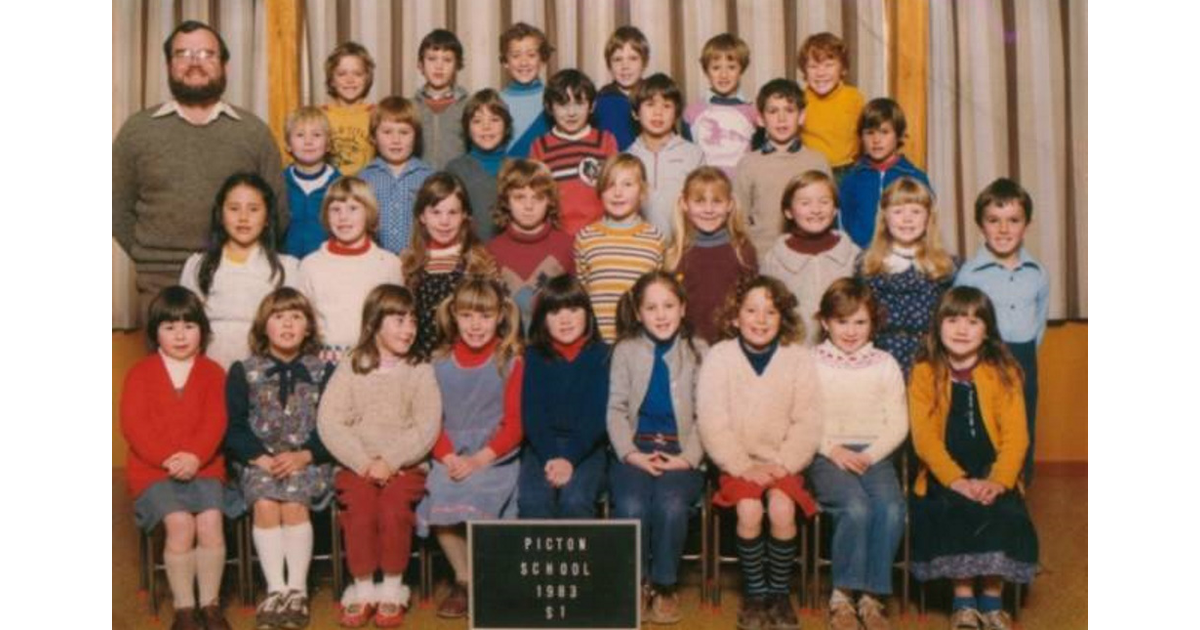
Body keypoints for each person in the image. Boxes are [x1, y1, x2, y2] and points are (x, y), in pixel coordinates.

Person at [114, 20, 286, 320]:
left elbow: (278, 212)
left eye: (207, 54)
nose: (195, 62)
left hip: (238, 278)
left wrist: (244, 260)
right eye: (183, 54)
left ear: (225, 66)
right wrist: (151, 257)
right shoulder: (137, 131)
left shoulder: (253, 132)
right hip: (160, 282)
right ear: (169, 65)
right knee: (171, 369)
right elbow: (115, 207)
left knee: (239, 367)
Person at [696, 275, 823, 630]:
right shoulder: (720, 357)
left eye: (771, 311)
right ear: (735, 317)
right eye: (751, 310)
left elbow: (808, 422)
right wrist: (741, 465)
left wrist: (783, 464)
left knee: (782, 510)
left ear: (783, 318)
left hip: (785, 462)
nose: (761, 319)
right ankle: (755, 594)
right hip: (737, 463)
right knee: (750, 510)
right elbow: (712, 422)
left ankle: (778, 595)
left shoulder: (798, 359)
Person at [909, 287, 1038, 630]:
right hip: (945, 473)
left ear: (988, 330)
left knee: (1003, 511)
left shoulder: (1004, 372)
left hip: (992, 469)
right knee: (954, 509)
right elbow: (925, 438)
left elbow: (1016, 437)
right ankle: (963, 599)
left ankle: (992, 599)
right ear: (938, 326)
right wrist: (957, 480)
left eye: (973, 321)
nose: (962, 329)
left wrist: (999, 480)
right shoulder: (924, 373)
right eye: (952, 320)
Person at [317, 285, 442, 628]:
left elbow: (426, 426)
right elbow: (330, 422)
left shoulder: (420, 370)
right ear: (374, 323)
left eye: (413, 321)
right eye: (399, 321)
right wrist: (364, 462)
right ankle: (362, 589)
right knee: (360, 509)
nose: (409, 329)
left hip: (405, 467)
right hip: (358, 465)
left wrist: (391, 460)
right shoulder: (350, 367)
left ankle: (391, 588)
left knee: (392, 509)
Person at [120, 286, 233, 630]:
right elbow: (134, 425)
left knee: (211, 521)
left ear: (202, 330)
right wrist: (169, 460)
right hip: (155, 470)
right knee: (181, 524)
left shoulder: (213, 372)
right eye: (170, 327)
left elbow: (218, 420)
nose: (180, 335)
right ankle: (184, 608)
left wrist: (196, 457)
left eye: (188, 325)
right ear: (155, 334)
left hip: (206, 466)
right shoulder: (141, 373)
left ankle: (210, 604)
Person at [224, 288, 336, 630]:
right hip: (261, 461)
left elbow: (333, 427)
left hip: (308, 461)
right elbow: (236, 427)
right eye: (278, 317)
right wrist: (257, 457)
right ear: (263, 326)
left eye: (296, 317)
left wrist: (305, 455)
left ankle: (297, 590)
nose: (287, 324)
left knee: (293, 504)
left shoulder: (325, 371)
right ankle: (276, 589)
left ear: (308, 328)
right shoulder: (243, 370)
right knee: (266, 504)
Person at [420, 278, 524, 619]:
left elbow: (514, 425)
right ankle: (464, 580)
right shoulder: (437, 362)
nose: (475, 325)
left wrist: (480, 459)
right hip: (449, 454)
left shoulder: (510, 361)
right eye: (467, 316)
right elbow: (430, 421)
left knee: (482, 494)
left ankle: (488, 578)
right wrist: (449, 457)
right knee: (441, 491)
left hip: (493, 456)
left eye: (485, 315)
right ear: (454, 316)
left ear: (499, 317)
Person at [607, 272, 707, 624]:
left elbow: (705, 415)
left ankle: (664, 585)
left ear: (683, 308)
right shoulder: (626, 350)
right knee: (632, 503)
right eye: (651, 308)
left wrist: (688, 458)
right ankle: (636, 583)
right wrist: (630, 454)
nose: (661, 315)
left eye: (668, 306)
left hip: (681, 451)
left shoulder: (699, 350)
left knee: (670, 502)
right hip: (636, 449)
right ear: (638, 312)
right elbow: (616, 409)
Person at [809, 278, 908, 630]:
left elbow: (898, 422)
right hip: (827, 454)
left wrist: (871, 454)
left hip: (874, 453)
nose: (851, 331)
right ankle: (842, 594)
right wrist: (831, 449)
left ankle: (872, 596)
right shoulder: (812, 361)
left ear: (873, 324)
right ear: (824, 322)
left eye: (860, 322)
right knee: (855, 507)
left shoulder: (885, 363)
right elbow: (804, 416)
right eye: (842, 321)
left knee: (892, 508)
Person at [954, 178, 1049, 485]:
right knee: (983, 429)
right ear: (980, 225)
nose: (1004, 229)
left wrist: (1024, 361)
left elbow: (1039, 324)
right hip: (980, 360)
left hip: (1022, 360)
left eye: (1013, 221)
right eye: (994, 221)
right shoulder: (968, 274)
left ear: (1027, 224)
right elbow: (959, 325)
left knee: (1020, 429)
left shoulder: (1038, 273)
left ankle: (1017, 491)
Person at [181, 173, 301, 369]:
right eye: (234, 209)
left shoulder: (287, 268)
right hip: (210, 371)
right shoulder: (197, 265)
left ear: (267, 217)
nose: (243, 218)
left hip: (265, 376)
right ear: (220, 214)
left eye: (253, 209)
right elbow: (184, 326)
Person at [518, 275, 610, 518]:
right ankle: (541, 558)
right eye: (555, 312)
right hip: (541, 446)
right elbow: (533, 413)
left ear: (588, 314)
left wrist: (569, 458)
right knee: (532, 501)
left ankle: (581, 558)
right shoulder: (533, 356)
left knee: (575, 500)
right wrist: (551, 456)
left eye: (573, 309)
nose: (565, 319)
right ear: (542, 320)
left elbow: (597, 415)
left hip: (587, 447)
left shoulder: (603, 355)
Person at [856, 176, 958, 378]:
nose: (907, 219)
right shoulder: (868, 264)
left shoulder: (945, 266)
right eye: (898, 211)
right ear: (885, 217)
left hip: (929, 358)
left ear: (928, 218)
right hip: (882, 358)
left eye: (916, 211)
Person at [298, 177, 403, 359]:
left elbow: (398, 321)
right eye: (335, 209)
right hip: (325, 364)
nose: (343, 217)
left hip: (376, 362)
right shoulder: (311, 265)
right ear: (325, 215)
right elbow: (302, 322)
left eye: (353, 209)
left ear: (369, 213)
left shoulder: (389, 264)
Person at [400, 172, 499, 359]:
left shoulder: (479, 262)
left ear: (464, 215)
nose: (444, 221)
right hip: (421, 364)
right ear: (422, 216)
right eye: (436, 212)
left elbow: (495, 317)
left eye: (453, 212)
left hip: (465, 364)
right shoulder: (408, 263)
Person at [734, 78, 832, 257]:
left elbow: (829, 214)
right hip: (763, 258)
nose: (781, 118)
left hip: (809, 256)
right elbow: (739, 221)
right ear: (761, 119)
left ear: (802, 116)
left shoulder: (817, 162)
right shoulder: (748, 164)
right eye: (773, 111)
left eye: (789, 110)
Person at [761, 170, 860, 345]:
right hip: (793, 355)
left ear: (835, 209)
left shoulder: (854, 255)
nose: (816, 210)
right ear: (789, 211)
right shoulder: (774, 260)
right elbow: (767, 313)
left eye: (824, 202)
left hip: (844, 357)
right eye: (805, 203)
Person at [574, 154, 666, 342]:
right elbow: (581, 295)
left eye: (627, 184)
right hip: (597, 343)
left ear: (642, 192)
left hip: (640, 342)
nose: (617, 193)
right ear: (600, 191)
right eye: (610, 185)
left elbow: (658, 295)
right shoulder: (586, 237)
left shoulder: (655, 239)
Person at [663, 166, 757, 344]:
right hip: (686, 346)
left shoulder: (743, 250)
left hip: (733, 346)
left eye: (717, 201)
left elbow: (753, 303)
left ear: (729, 205)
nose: (708, 209)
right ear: (684, 204)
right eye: (699, 201)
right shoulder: (674, 253)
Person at [485, 159, 575, 330]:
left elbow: (579, 308)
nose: (528, 206)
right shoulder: (491, 251)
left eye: (538, 197)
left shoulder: (568, 246)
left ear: (549, 201)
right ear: (506, 200)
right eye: (519, 197)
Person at [530, 68, 620, 234]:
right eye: (563, 105)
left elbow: (616, 190)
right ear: (549, 107)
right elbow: (537, 197)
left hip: (600, 233)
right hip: (557, 236)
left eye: (579, 104)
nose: (571, 113)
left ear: (592, 106)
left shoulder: (606, 141)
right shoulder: (540, 146)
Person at [837, 98, 932, 249]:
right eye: (870, 133)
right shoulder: (851, 179)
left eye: (884, 132)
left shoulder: (915, 177)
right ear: (861, 137)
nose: (876, 140)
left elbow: (928, 224)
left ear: (899, 135)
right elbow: (843, 224)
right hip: (861, 258)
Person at [627, 73, 706, 240]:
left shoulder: (693, 155)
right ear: (635, 113)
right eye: (650, 104)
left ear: (676, 113)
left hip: (684, 247)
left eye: (667, 106)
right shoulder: (627, 157)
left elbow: (703, 204)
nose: (658, 113)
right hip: (639, 249)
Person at [358, 96, 436, 254]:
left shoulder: (429, 178)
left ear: (416, 136)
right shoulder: (363, 178)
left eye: (404, 132)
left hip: (418, 260)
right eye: (387, 132)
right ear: (373, 137)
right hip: (376, 261)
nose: (396, 140)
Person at [681, 33, 759, 176]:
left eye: (731, 67)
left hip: (740, 190)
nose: (724, 75)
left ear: (741, 69)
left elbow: (759, 159)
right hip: (704, 188)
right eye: (716, 68)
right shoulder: (692, 112)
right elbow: (688, 157)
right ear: (706, 71)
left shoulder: (754, 113)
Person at [796, 32, 866, 182]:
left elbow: (865, 135)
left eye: (829, 65)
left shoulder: (854, 98)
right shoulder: (799, 100)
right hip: (811, 170)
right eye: (813, 66)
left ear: (843, 69)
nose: (821, 73)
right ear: (804, 71)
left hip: (848, 170)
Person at [445, 89, 513, 241]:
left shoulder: (518, 169)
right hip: (469, 254)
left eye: (495, 120)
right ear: (467, 128)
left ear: (506, 126)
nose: (486, 127)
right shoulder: (455, 170)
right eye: (477, 121)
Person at [282, 106, 342, 258]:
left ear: (328, 144)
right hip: (287, 265)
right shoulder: (279, 182)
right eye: (300, 135)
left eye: (316, 135)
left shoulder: (340, 184)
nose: (308, 141)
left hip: (327, 265)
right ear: (288, 144)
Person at [414, 29, 469, 169]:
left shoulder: (468, 106)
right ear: (420, 65)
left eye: (447, 60)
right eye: (432, 59)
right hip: (419, 184)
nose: (439, 66)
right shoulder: (410, 107)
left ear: (457, 66)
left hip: (456, 184)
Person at [499, 22, 554, 157]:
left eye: (531, 55)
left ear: (542, 59)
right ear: (505, 62)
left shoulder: (554, 98)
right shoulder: (497, 101)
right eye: (516, 56)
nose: (524, 62)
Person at [322, 42, 376, 175]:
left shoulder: (376, 113)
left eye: (357, 74)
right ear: (332, 80)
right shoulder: (321, 115)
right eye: (342, 74)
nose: (350, 80)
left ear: (367, 78)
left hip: (365, 189)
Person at [594, 26, 650, 150]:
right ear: (609, 65)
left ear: (645, 63)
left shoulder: (654, 96)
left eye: (633, 58)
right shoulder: (600, 100)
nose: (625, 66)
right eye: (618, 59)